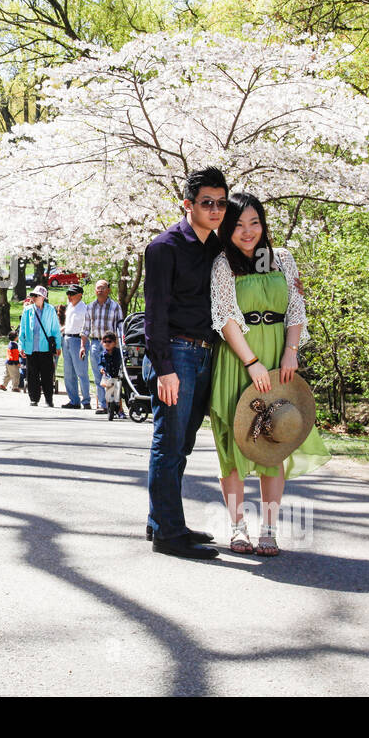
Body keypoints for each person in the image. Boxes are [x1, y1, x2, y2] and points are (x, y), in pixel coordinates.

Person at [209, 192, 329, 557]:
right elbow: (226, 318)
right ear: (227, 228)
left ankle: (270, 530)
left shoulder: (283, 260)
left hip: (279, 358)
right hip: (239, 359)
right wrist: (251, 362)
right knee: (233, 447)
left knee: (273, 445)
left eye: (254, 223)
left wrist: (290, 353)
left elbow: (296, 309)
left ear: (263, 224)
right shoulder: (222, 264)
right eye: (239, 225)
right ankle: (237, 528)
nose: (248, 232)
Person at [141, 167, 228, 560]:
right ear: (187, 204)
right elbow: (154, 313)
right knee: (169, 444)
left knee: (183, 444)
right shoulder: (165, 247)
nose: (215, 210)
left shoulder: (215, 247)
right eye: (206, 203)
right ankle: (168, 534)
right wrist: (164, 369)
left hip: (205, 353)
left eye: (221, 203)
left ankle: (163, 519)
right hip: (174, 354)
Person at [87, 279, 126, 414]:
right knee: (99, 374)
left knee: (111, 376)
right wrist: (82, 345)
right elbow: (85, 328)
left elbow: (120, 327)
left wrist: (120, 343)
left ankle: (113, 405)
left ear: (108, 290)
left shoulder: (115, 307)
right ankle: (104, 405)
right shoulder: (90, 306)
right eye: (98, 288)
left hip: (110, 345)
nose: (100, 290)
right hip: (95, 343)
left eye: (103, 288)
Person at [18, 285, 61, 407]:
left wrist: (58, 345)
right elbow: (23, 330)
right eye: (33, 295)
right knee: (32, 374)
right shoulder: (27, 310)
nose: (33, 297)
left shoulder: (50, 310)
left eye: (36, 295)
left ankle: (49, 399)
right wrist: (21, 346)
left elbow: (55, 329)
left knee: (47, 375)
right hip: (31, 347)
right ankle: (34, 398)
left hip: (45, 348)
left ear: (43, 297)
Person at [60, 284, 91, 410]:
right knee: (68, 373)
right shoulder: (70, 307)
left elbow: (87, 327)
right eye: (68, 293)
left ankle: (86, 400)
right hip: (67, 338)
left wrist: (83, 344)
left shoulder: (84, 308)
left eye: (71, 294)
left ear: (79, 295)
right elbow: (68, 325)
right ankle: (74, 400)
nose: (69, 296)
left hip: (78, 340)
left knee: (81, 372)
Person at [99, 332, 125, 421]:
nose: (107, 343)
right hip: (108, 376)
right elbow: (100, 364)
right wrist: (101, 369)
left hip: (117, 376)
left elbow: (123, 357)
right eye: (104, 341)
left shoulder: (118, 352)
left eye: (109, 341)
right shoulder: (103, 354)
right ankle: (109, 409)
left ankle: (120, 410)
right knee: (108, 393)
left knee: (118, 393)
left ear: (114, 342)